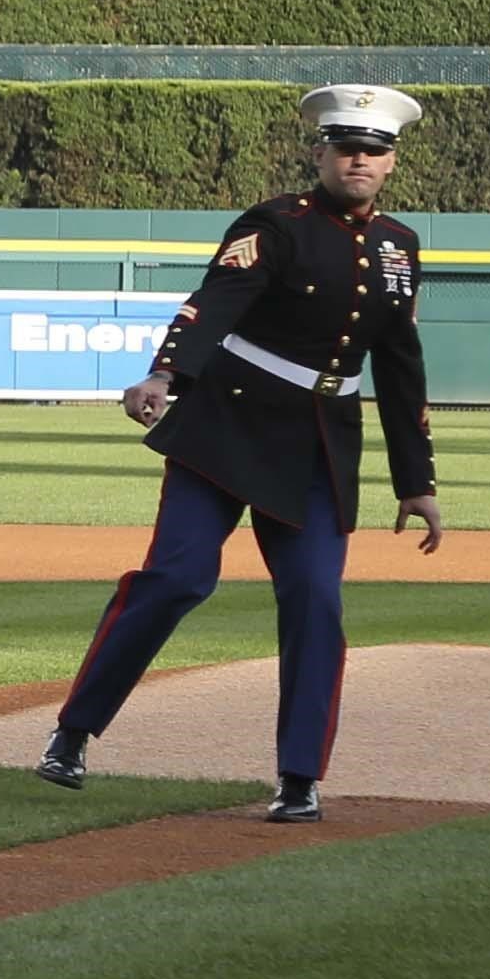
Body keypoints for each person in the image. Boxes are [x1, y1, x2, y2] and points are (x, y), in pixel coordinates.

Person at [40, 84, 450, 822]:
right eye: (347, 148)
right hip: (226, 425)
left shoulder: (400, 247)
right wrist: (167, 371)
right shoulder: (275, 224)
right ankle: (72, 733)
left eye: (375, 151)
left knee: (316, 602)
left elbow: (400, 363)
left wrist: (415, 480)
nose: (360, 160)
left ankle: (299, 779)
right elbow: (214, 303)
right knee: (176, 580)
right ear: (320, 152)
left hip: (321, 442)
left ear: (391, 164)